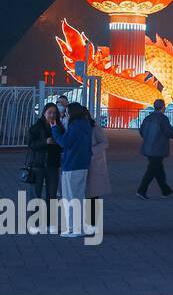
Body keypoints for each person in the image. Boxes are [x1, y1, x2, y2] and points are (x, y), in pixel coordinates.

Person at [53, 102, 93, 238]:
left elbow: (65, 143)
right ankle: (78, 226)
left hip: (72, 165)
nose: (66, 114)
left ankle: (75, 228)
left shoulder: (75, 126)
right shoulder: (86, 125)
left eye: (68, 112)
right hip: (82, 165)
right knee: (79, 197)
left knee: (70, 198)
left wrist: (55, 130)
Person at [136, 99, 173, 199]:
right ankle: (141, 190)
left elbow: (142, 130)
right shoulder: (162, 119)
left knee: (158, 169)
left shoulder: (148, 118)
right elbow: (168, 131)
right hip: (158, 148)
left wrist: (147, 138)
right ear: (162, 107)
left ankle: (165, 190)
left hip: (148, 147)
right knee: (152, 170)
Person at [26, 103, 63, 203]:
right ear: (44, 113)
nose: (52, 115)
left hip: (53, 166)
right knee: (35, 196)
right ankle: (34, 218)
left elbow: (63, 146)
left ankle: (50, 218)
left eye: (55, 113)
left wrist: (58, 142)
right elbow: (30, 144)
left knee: (52, 196)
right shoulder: (36, 127)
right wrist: (45, 142)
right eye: (50, 112)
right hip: (37, 165)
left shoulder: (59, 128)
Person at [85, 115, 110, 230]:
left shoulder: (95, 128)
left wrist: (92, 151)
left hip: (94, 164)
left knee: (93, 195)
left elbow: (104, 142)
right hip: (82, 164)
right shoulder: (74, 127)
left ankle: (93, 223)